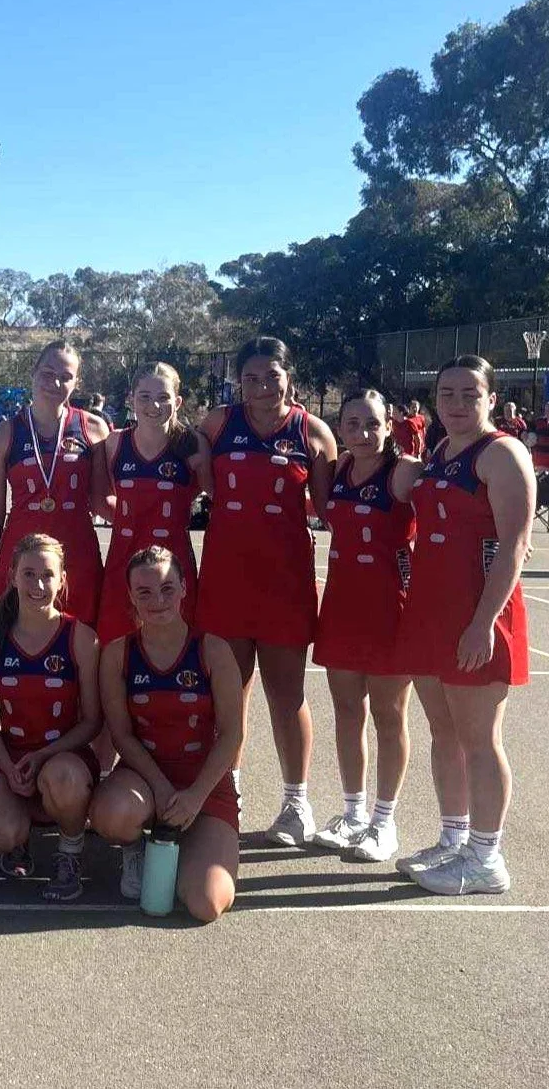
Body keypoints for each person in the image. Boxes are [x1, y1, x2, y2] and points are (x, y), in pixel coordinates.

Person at [393, 355, 532, 895]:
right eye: (446, 393)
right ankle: (453, 840)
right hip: (431, 612)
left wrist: (483, 624)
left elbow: (515, 546)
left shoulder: (502, 454)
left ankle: (486, 857)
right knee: (443, 734)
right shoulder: (442, 452)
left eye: (469, 394)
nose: (456, 404)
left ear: (491, 399)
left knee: (480, 739)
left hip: (476, 617)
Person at [194, 336, 338, 847]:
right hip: (226, 581)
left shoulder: (314, 432)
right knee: (230, 693)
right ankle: (224, 792)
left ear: (288, 379)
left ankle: (296, 803)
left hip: (285, 584)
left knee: (287, 693)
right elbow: (191, 481)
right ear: (240, 382)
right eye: (250, 378)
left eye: (270, 377)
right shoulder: (216, 425)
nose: (260, 387)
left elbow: (332, 510)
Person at [88, 547, 241, 920]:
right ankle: (139, 847)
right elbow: (121, 735)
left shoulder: (213, 650)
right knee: (112, 817)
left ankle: (186, 846)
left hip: (203, 785)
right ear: (130, 597)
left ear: (185, 589)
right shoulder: (117, 654)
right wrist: (159, 787)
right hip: (144, 776)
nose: (157, 601)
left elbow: (232, 735)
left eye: (167, 589)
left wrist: (194, 797)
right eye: (144, 592)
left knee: (206, 904)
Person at [310, 390, 421, 861]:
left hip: (389, 610)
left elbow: (460, 506)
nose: (362, 433)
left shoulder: (405, 471)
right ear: (342, 426)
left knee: (389, 717)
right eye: (352, 424)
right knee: (347, 712)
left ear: (389, 423)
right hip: (340, 606)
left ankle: (384, 821)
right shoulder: (336, 472)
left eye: (372, 424)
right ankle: (353, 813)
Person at [0, 534, 102, 902]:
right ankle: (19, 838)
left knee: (62, 778)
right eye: (28, 574)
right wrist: (8, 765)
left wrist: (44, 755)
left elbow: (92, 721)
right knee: (0, 831)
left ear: (63, 579)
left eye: (47, 575)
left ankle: (70, 853)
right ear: (11, 575)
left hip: (64, 758)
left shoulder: (81, 638)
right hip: (10, 757)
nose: (38, 585)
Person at [0, 340, 109, 621]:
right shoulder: (2, 435)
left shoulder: (94, 429)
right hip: (21, 549)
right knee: (14, 642)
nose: (55, 382)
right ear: (33, 372)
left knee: (81, 643)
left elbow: (102, 502)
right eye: (48, 373)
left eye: (66, 376)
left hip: (77, 551)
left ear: (77, 382)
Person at [91, 362, 207, 641]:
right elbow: (99, 499)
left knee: (177, 645)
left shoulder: (193, 445)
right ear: (132, 399)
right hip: (124, 557)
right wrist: (133, 520)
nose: (154, 404)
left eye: (164, 397)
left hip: (174, 561)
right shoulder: (114, 444)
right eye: (144, 396)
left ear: (177, 402)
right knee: (116, 644)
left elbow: (215, 496)